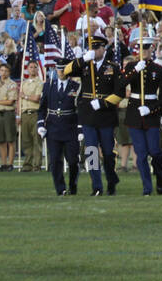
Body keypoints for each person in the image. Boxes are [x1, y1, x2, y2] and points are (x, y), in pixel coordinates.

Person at [62, 35, 121, 196]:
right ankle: (97, 186)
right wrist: (82, 59)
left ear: (104, 49)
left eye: (97, 48)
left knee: (108, 153)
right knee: (92, 151)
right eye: (92, 48)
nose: (94, 51)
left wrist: (103, 103)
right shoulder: (85, 65)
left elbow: (119, 93)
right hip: (88, 115)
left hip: (106, 114)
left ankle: (111, 181)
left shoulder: (113, 67)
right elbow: (65, 71)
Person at [121, 38, 162, 196]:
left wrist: (151, 109)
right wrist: (135, 71)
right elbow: (121, 84)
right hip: (135, 111)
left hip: (151, 113)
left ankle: (160, 179)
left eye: (146, 48)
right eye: (141, 48)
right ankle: (147, 187)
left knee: (155, 151)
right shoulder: (132, 66)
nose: (144, 51)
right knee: (141, 154)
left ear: (152, 49)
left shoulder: (159, 70)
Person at [36, 63, 81, 196]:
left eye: (63, 69)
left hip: (70, 127)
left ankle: (73, 184)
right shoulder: (49, 85)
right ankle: (60, 188)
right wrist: (40, 124)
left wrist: (80, 128)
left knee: (73, 160)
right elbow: (42, 108)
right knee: (55, 160)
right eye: (59, 69)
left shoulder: (76, 86)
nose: (61, 72)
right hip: (53, 127)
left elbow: (79, 109)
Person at [17, 61, 45, 172]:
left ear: (37, 69)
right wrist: (18, 115)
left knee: (36, 139)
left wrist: (25, 96)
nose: (32, 69)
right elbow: (19, 100)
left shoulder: (40, 83)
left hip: (35, 112)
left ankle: (36, 165)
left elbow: (37, 98)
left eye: (35, 67)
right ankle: (27, 164)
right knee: (26, 140)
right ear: (27, 69)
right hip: (24, 113)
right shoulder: (24, 83)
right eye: (30, 67)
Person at [0, 61, 19, 171]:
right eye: (2, 70)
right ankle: (3, 163)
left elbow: (10, 101)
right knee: (1, 140)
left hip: (8, 112)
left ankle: (10, 163)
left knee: (10, 139)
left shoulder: (12, 84)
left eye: (6, 71)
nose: (4, 73)